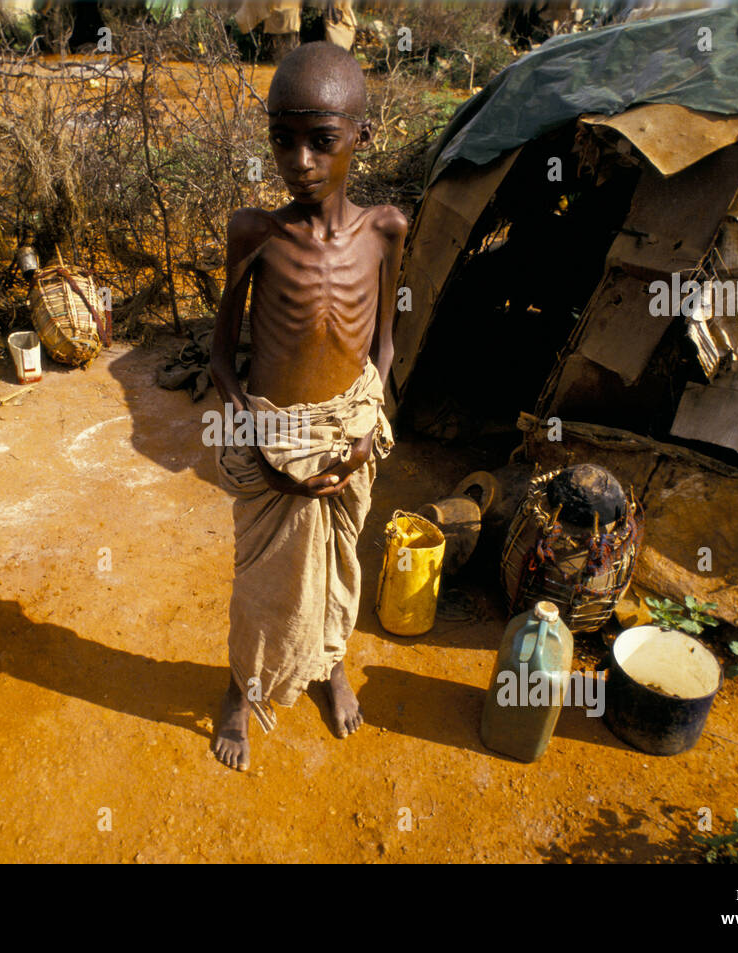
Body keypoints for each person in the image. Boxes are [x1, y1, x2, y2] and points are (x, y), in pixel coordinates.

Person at [208, 41, 407, 771]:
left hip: (349, 435)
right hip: (273, 439)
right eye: (282, 140)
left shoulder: (385, 231)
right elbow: (222, 358)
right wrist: (263, 444)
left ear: (362, 137)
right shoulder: (254, 233)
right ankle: (241, 686)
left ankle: (330, 665)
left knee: (338, 564)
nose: (299, 161)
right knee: (262, 581)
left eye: (320, 141)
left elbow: (383, 348)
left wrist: (364, 434)